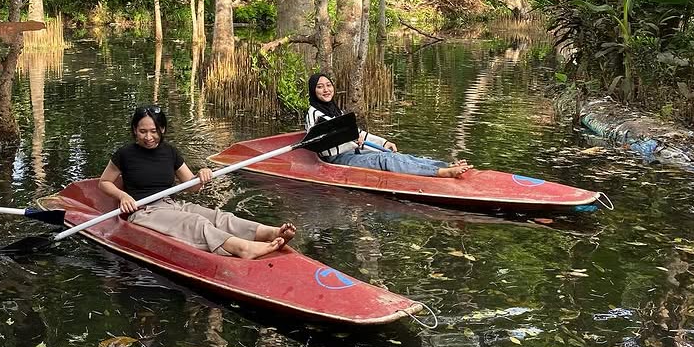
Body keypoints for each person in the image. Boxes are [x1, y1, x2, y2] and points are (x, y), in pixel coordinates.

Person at [98, 105, 296, 260]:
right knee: (196, 222)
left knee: (218, 217)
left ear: (162, 129)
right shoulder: (125, 154)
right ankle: (242, 248)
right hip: (143, 211)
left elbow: (192, 185)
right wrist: (123, 195)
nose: (149, 137)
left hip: (172, 205)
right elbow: (104, 183)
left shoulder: (170, 152)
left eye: (154, 131)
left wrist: (202, 175)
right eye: (142, 131)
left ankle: (269, 232)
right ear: (134, 130)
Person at [306, 73, 473, 178]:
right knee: (385, 158)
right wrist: (350, 141)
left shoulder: (335, 110)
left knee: (395, 154)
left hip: (355, 152)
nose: (326, 90)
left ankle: (444, 166)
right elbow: (322, 148)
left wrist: (383, 142)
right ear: (314, 91)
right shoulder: (314, 114)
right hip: (339, 159)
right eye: (320, 87)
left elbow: (356, 133)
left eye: (328, 85)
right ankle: (441, 173)